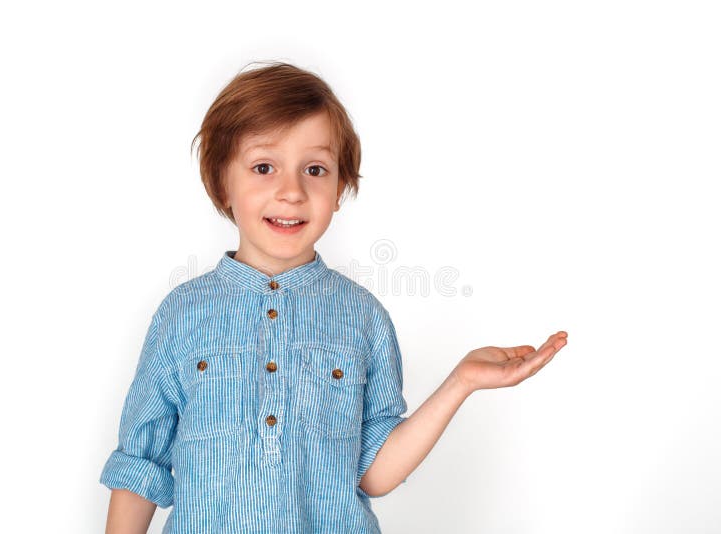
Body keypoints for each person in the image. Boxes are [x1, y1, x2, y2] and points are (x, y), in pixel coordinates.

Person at [99, 60, 568, 534]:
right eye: (264, 167)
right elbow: (140, 466)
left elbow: (374, 473)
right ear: (223, 182)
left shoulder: (363, 318)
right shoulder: (181, 314)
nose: (291, 191)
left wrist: (460, 383)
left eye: (315, 169)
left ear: (340, 187)